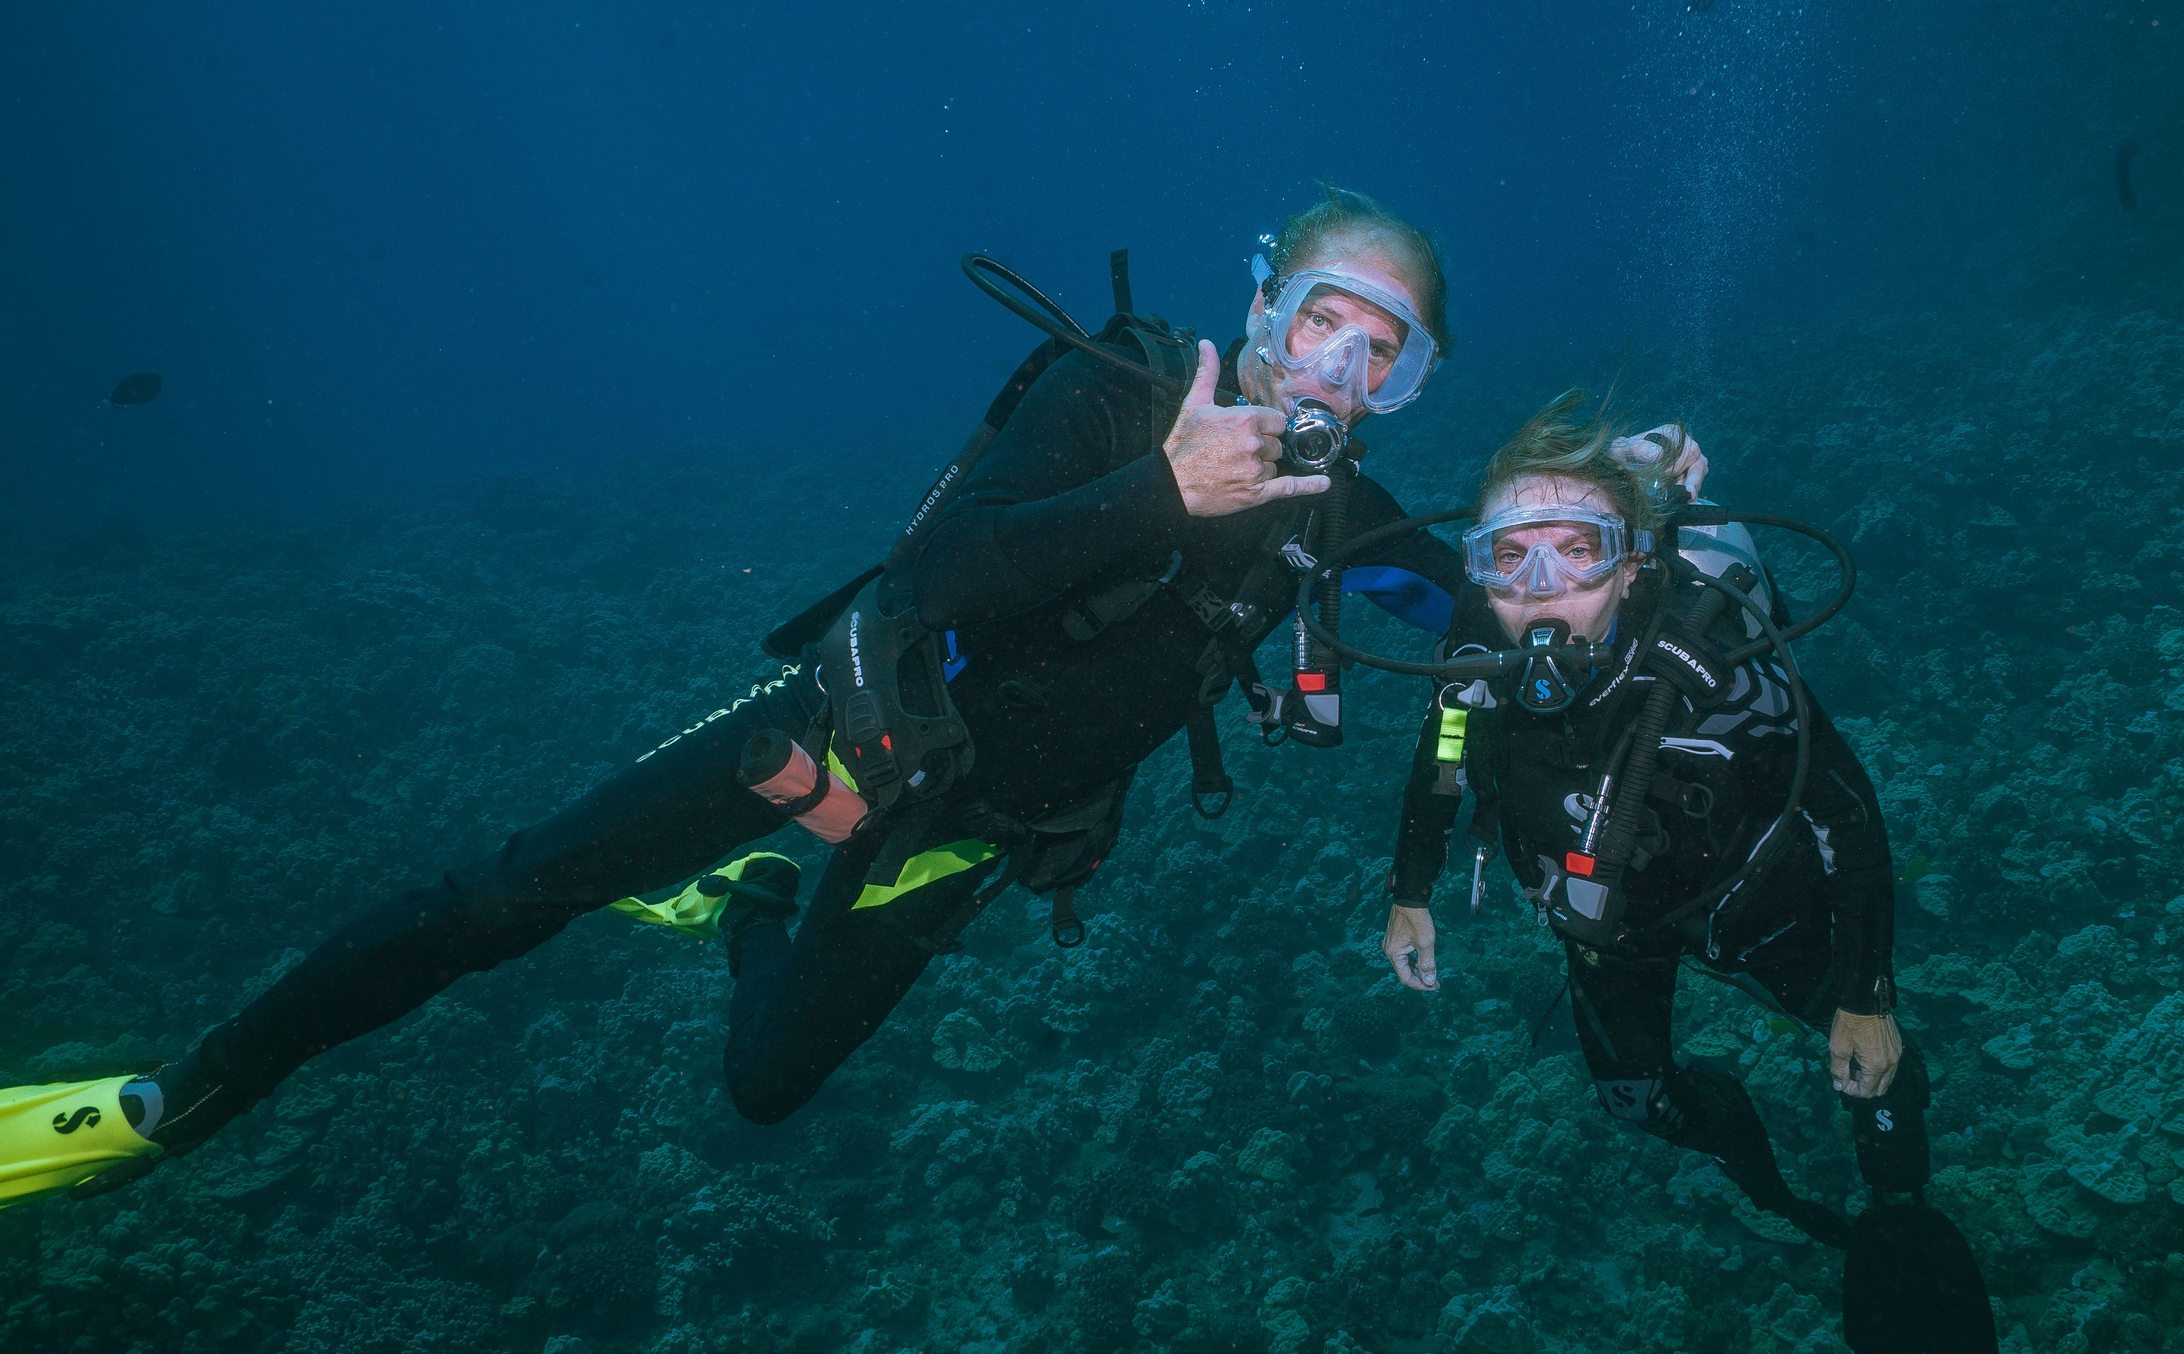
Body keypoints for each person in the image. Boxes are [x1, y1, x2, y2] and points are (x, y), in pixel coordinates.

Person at [0, 185, 1477, 1208]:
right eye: (1320, 319)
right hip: (831, 738)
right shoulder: (1119, 388)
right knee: (505, 895)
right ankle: (177, 1096)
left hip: (973, 830)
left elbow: (1498, 603)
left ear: (1402, 382)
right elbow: (944, 571)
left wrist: (1638, 540)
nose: (1335, 368)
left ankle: (753, 900)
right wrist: (1161, 489)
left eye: (1381, 351)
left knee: (766, 1087)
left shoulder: (1336, 515)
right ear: (1262, 302)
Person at [1375, 393, 1995, 1354]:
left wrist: (1865, 996)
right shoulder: (1473, 656)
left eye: (1577, 550)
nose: (1541, 589)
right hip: (1604, 924)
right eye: (1508, 554)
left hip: (1750, 893)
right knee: (1633, 1100)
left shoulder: (1718, 663)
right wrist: (1411, 889)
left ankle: (1896, 1202)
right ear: (1478, 565)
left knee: (1882, 1066)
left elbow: (1844, 811)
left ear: (1632, 563)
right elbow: (1443, 751)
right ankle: (1762, 1182)